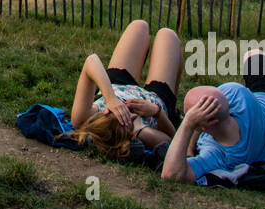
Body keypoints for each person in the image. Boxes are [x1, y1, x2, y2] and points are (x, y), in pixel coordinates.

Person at [160, 49, 265, 185]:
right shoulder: (235, 92)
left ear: (203, 126)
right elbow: (214, 99)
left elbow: (170, 174)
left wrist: (188, 124)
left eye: (187, 115)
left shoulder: (219, 155)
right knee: (254, 55)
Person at [67, 20, 182, 159]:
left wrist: (111, 99)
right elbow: (173, 143)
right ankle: (174, 114)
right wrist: (156, 113)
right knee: (167, 35)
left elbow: (91, 60)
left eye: (121, 117)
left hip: (117, 86)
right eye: (128, 123)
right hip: (155, 98)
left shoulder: (83, 118)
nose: (131, 115)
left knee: (139, 26)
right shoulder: (142, 131)